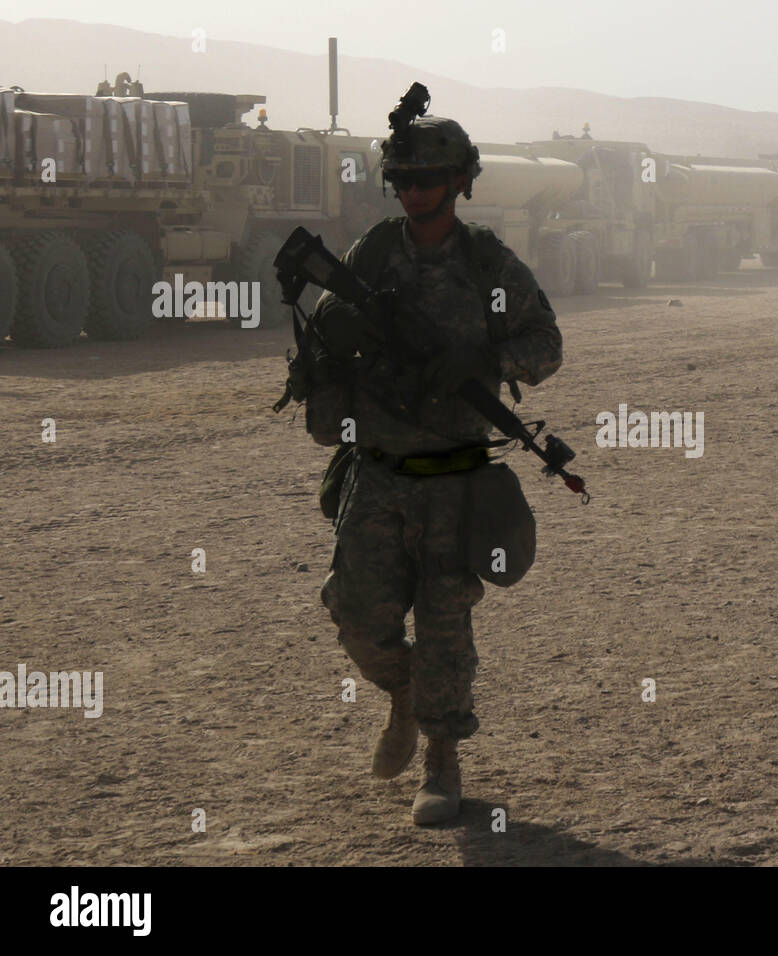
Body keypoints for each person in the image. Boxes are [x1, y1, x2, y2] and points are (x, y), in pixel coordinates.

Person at [302, 88, 562, 825]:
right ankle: (403, 699)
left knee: (447, 629)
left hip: (455, 478)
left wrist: (481, 356)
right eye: (403, 180)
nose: (414, 192)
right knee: (355, 619)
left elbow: (546, 345)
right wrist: (337, 339)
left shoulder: (488, 265)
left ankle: (442, 760)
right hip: (378, 473)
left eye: (428, 179)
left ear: (459, 182)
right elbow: (325, 338)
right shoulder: (373, 253)